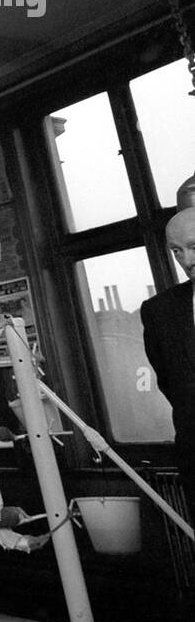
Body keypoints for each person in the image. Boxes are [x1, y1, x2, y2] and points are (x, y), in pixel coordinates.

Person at [140, 207, 195, 519]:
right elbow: (171, 384)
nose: (186, 262)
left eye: (194, 247)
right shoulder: (160, 312)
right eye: (177, 251)